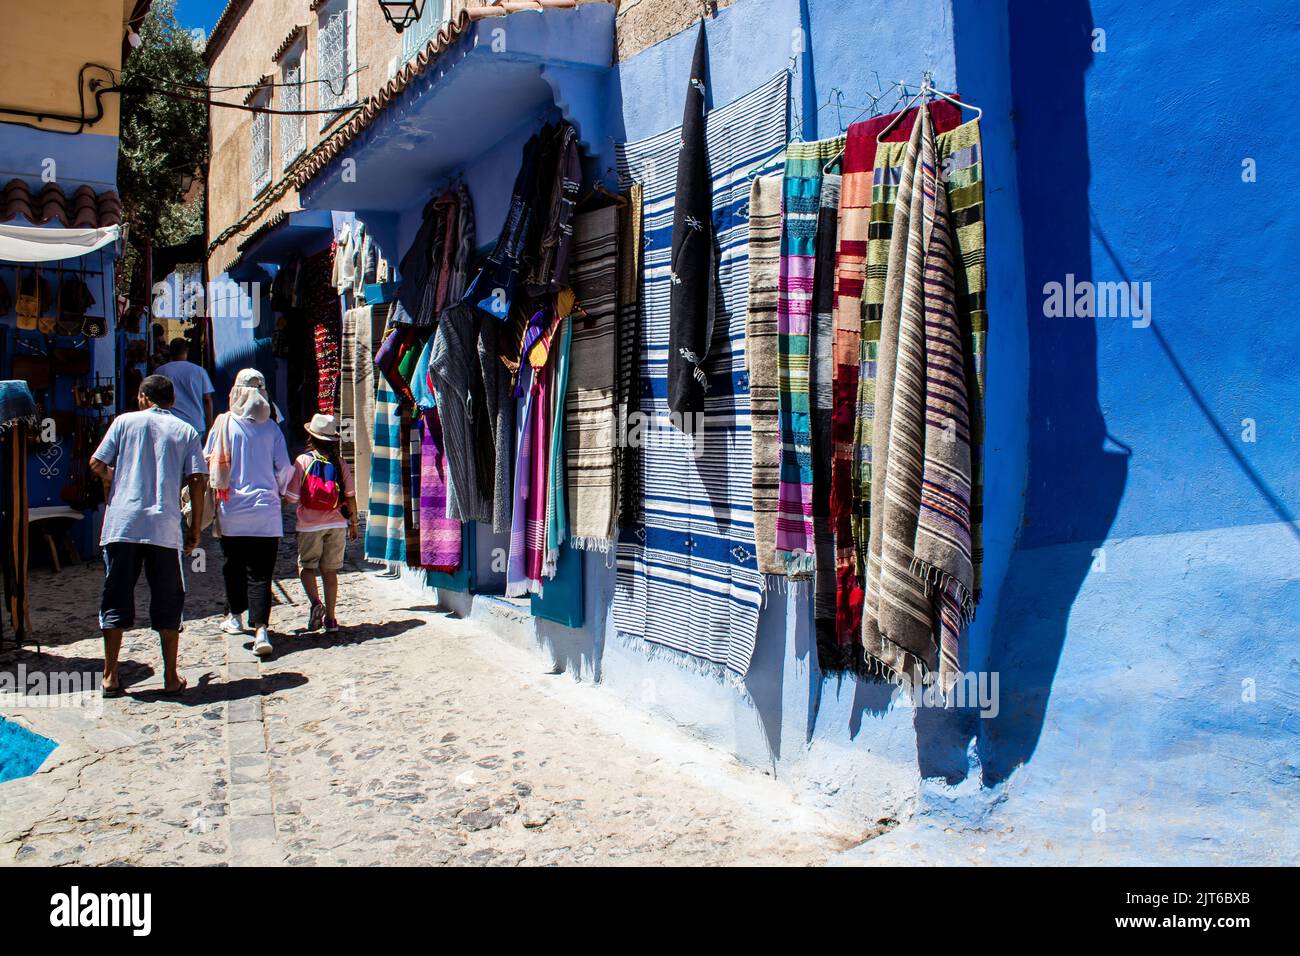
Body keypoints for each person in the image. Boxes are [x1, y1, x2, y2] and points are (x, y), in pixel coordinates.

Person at [89, 374, 208, 697]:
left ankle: (110, 675)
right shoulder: (185, 430)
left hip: (122, 525)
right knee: (168, 600)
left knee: (115, 595)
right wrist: (195, 527)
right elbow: (198, 480)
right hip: (163, 528)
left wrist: (116, 478)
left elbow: (96, 464)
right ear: (172, 401)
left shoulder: (124, 422)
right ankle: (170, 676)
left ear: (143, 397)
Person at [205, 369, 293, 657]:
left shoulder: (223, 423)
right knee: (261, 574)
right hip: (266, 513)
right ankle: (261, 631)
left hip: (231, 510)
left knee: (233, 566)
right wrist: (278, 492)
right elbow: (285, 469)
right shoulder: (272, 429)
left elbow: (209, 459)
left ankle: (234, 616)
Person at [284, 414, 358, 634]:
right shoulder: (340, 463)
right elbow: (351, 496)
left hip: (309, 525)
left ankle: (316, 603)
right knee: (330, 572)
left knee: (307, 567)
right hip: (337, 524)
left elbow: (291, 497)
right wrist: (353, 523)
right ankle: (332, 620)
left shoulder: (302, 461)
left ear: (311, 437)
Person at [154, 338, 215, 437]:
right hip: (195, 425)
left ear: (170, 351)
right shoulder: (199, 371)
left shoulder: (160, 371)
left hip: (168, 425)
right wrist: (210, 427)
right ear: (186, 351)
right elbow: (207, 400)